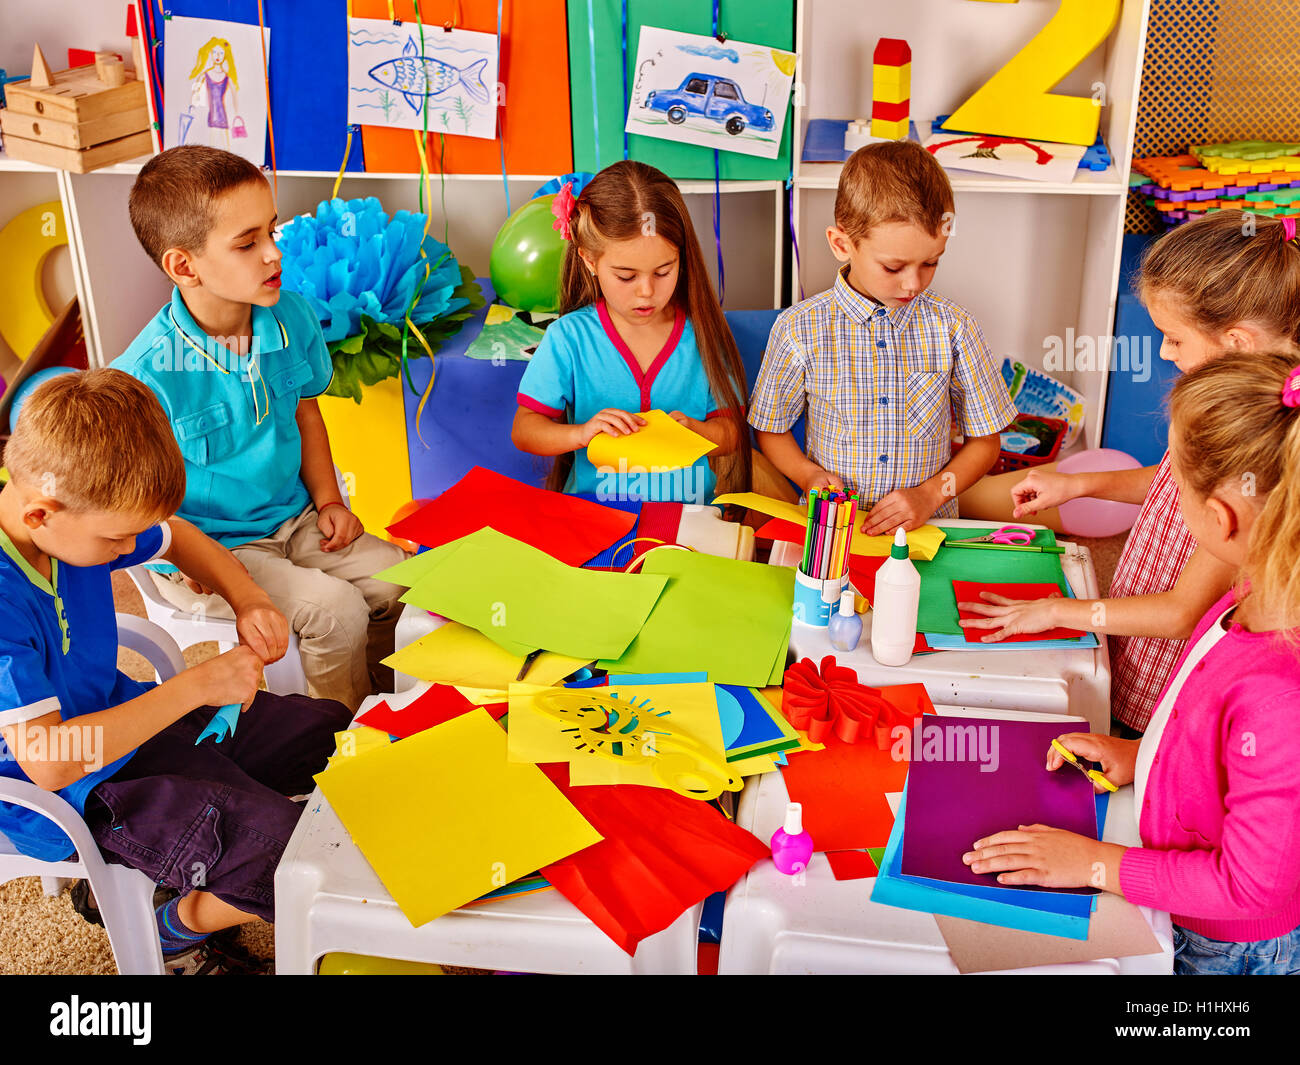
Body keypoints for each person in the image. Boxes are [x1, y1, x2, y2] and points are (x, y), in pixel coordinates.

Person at [0, 370, 353, 974]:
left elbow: (180, 535)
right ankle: (175, 927)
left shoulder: (75, 522)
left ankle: (180, 858)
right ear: (39, 514)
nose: (131, 548)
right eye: (119, 540)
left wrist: (249, 599)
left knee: (337, 733)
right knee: (297, 860)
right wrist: (196, 685)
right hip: (67, 792)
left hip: (131, 721)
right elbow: (50, 760)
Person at [963, 351, 1300, 975]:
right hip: (1171, 881)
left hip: (1223, 944)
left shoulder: (1279, 696)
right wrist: (1141, 754)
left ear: (1220, 519)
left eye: (1178, 489)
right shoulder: (1248, 596)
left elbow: (1252, 888)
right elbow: (1202, 729)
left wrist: (1091, 865)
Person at [961, 211, 1300, 734]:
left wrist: (1057, 612)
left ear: (1236, 342)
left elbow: (1179, 614)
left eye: (1172, 337)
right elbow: (1167, 482)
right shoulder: (1228, 407)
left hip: (1164, 665)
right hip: (1132, 624)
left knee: (1136, 749)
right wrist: (1078, 485)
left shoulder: (1255, 451)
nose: (1163, 352)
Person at [113, 146, 407, 710]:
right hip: (215, 549)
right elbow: (138, 502)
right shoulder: (144, 377)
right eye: (247, 243)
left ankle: (385, 706)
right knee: (335, 611)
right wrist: (186, 558)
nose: (273, 254)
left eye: (272, 230)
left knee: (402, 577)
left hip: (295, 518)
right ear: (184, 266)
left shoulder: (290, 316)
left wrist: (329, 500)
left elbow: (304, 412)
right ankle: (334, 739)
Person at [748, 140, 1016, 534]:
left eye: (931, 263)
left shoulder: (955, 327)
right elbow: (771, 428)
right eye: (893, 267)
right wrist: (807, 476)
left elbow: (985, 443)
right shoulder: (798, 329)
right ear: (842, 244)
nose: (913, 284)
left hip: (928, 530)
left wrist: (930, 495)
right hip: (833, 531)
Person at [512, 160, 752, 505]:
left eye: (664, 271)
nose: (646, 291)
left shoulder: (703, 335)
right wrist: (581, 433)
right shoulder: (569, 338)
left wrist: (697, 431)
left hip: (688, 520)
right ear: (590, 261)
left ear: (682, 258)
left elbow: (732, 431)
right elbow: (525, 430)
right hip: (594, 515)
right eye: (626, 276)